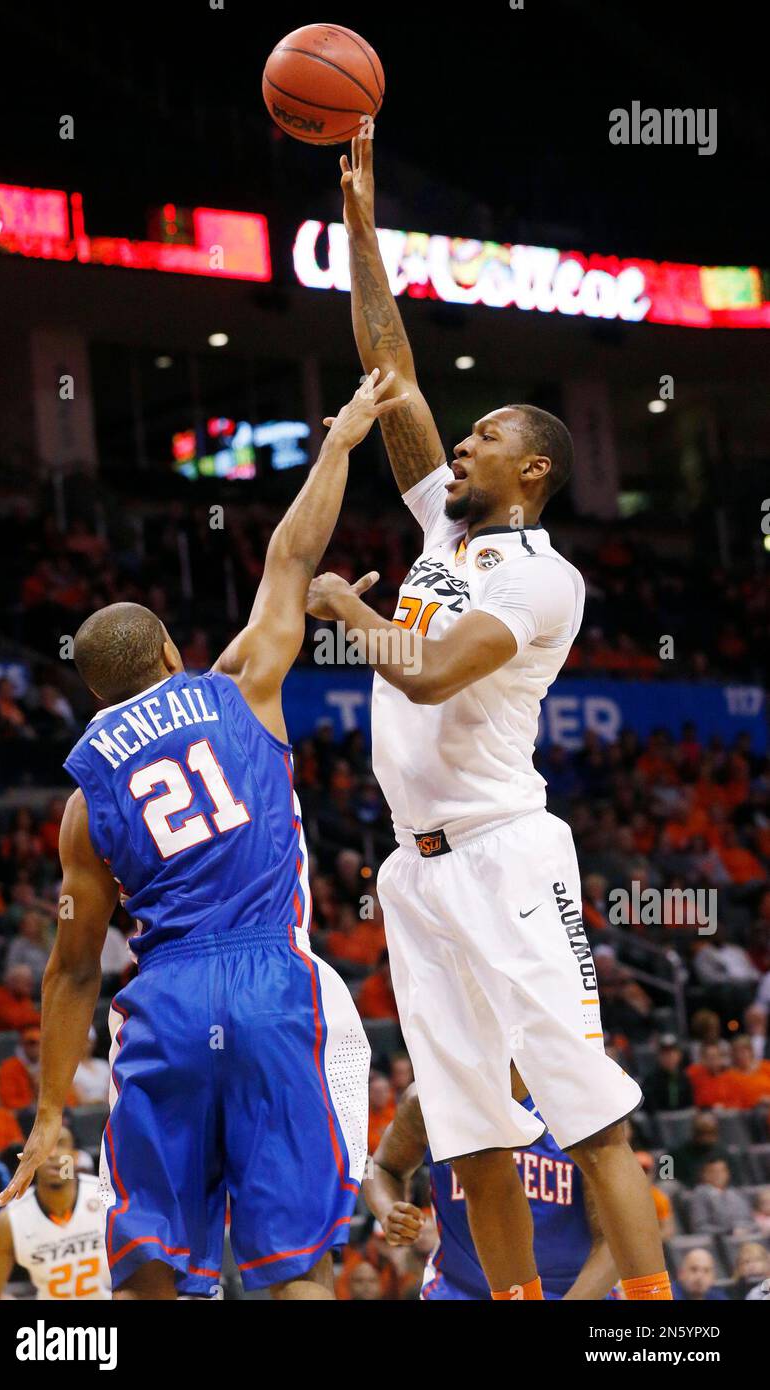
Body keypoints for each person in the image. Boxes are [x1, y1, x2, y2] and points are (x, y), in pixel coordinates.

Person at [305, 131, 667, 1301]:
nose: (459, 444)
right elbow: (392, 366)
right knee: (469, 1132)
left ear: (535, 474)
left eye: (486, 438)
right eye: (462, 438)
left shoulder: (540, 576)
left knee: (587, 1110)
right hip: (416, 876)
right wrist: (363, 230)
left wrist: (336, 612)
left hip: (508, 852)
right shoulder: (444, 533)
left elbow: (423, 671)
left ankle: (655, 1322)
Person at [0, 372, 409, 1301]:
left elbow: (69, 970)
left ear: (96, 691)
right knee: (291, 1264)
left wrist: (51, 1110)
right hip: (272, 985)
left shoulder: (82, 799)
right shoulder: (240, 684)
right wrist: (338, 445)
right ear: (174, 655)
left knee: (152, 1265)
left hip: (168, 1001)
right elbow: (288, 560)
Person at [363, 1067, 618, 1300]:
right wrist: (387, 1210)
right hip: (460, 1290)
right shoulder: (429, 1098)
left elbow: (614, 1238)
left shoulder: (579, 1105)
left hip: (572, 1292)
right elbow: (376, 1167)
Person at [0, 1124, 110, 1300]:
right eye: (45, 1145)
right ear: (29, 1158)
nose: (53, 1153)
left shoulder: (106, 1197)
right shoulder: (9, 1220)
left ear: (75, 1156)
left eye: (61, 1144)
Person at [688, 1158, 755, 1235]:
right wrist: (730, 1231)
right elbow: (700, 1227)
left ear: (728, 1173)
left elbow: (750, 1220)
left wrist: (749, 1229)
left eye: (722, 1171)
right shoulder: (700, 1195)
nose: (718, 1175)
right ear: (704, 1175)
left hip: (749, 1235)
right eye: (713, 1172)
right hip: (722, 1240)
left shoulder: (737, 1193)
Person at [641, 1035, 694, 1112]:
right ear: (659, 1057)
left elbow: (690, 1103)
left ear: (679, 1055)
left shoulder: (686, 1078)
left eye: (672, 1053)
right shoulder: (651, 1080)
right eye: (665, 1054)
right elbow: (648, 1105)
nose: (669, 1058)